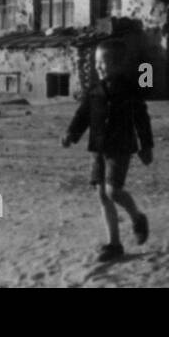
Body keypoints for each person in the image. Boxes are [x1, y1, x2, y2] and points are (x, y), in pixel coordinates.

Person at [62, 40, 153, 263]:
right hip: (97, 148)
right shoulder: (94, 90)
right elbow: (82, 116)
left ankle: (137, 217)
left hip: (120, 148)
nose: (100, 67)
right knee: (102, 195)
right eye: (97, 63)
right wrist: (71, 134)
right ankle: (114, 243)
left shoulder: (130, 90)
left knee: (113, 192)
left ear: (119, 64)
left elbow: (142, 119)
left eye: (105, 62)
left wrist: (146, 145)